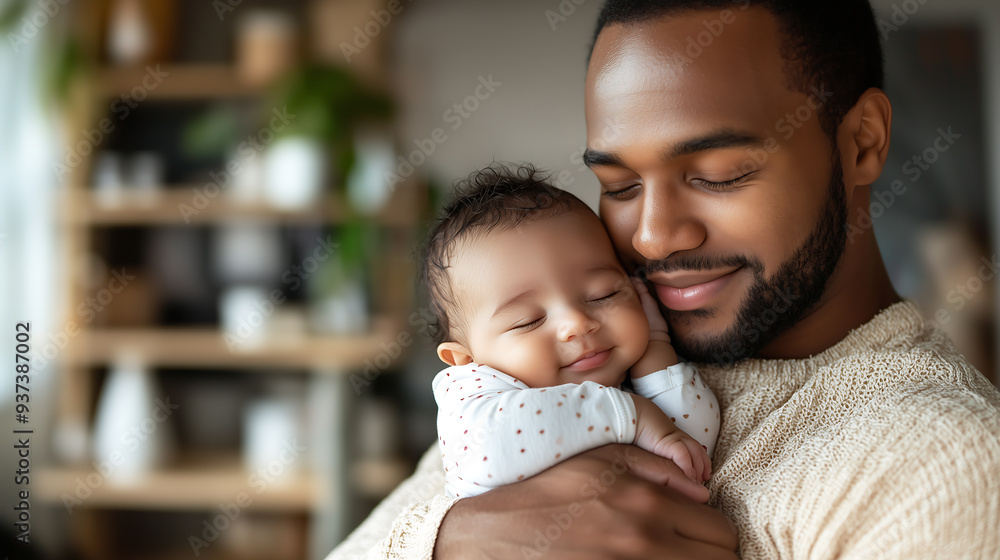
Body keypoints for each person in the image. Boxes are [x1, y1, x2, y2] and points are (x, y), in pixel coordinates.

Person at [328, 1, 1000, 558]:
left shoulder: (946, 464)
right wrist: (453, 542)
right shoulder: (559, 376)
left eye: (717, 175)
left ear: (862, 143)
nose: (651, 236)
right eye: (618, 185)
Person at [424, 165, 718, 499]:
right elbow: (489, 453)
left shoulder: (627, 382)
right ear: (466, 359)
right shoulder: (471, 399)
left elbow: (694, 447)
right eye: (528, 321)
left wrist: (655, 348)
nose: (577, 323)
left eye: (603, 294)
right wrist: (632, 414)